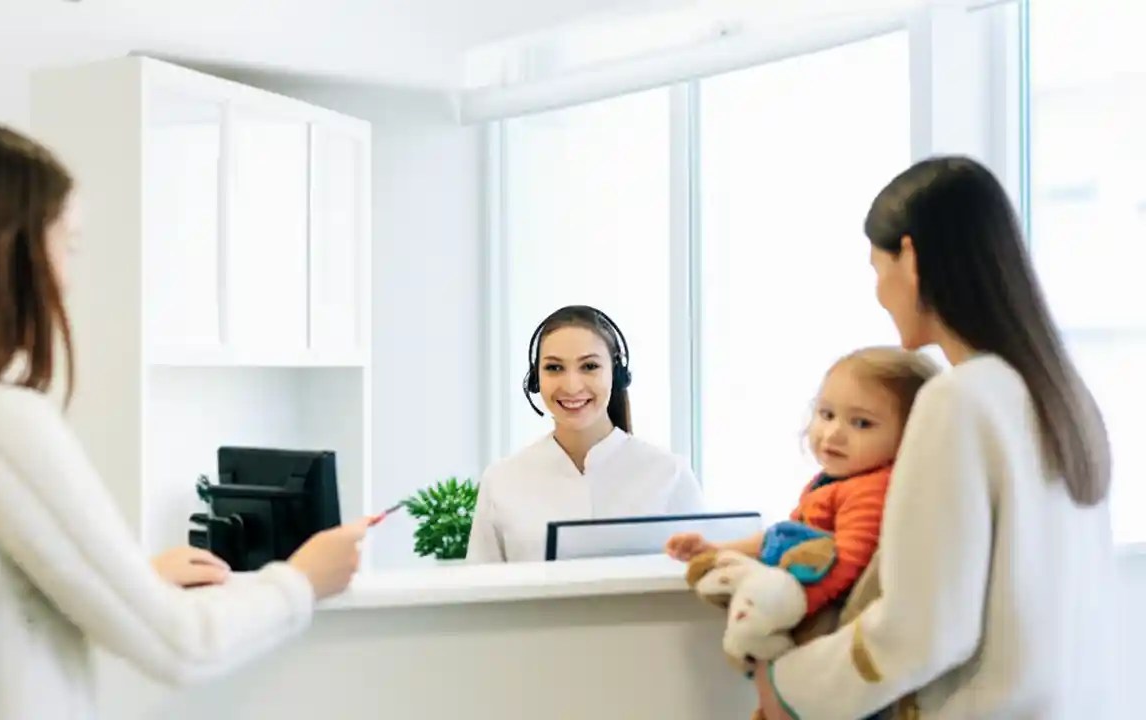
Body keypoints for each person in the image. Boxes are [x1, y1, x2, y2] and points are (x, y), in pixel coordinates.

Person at [0, 119, 370, 720]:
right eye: (66, 245)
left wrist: (128, 582)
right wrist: (302, 580)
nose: (68, 278)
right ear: (11, 251)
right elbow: (180, 644)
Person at [749, 156, 1115, 720]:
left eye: (878, 269)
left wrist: (790, 687)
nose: (878, 292)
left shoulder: (958, 400)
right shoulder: (1060, 394)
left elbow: (925, 627)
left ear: (911, 259)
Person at [667, 345, 939, 628]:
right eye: (826, 414)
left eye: (861, 423)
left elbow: (845, 562)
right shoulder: (837, 481)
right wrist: (717, 549)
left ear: (911, 433)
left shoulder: (871, 491)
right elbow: (785, 537)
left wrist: (790, 606)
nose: (833, 434)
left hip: (827, 617)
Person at [465, 304, 704, 563]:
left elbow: (700, 584)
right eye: (554, 368)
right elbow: (480, 594)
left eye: (589, 366)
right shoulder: (502, 481)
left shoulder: (669, 475)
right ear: (535, 379)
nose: (571, 385)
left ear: (617, 374)